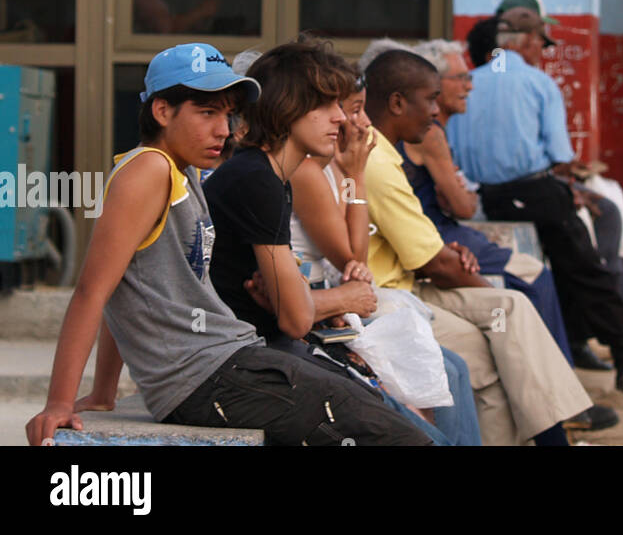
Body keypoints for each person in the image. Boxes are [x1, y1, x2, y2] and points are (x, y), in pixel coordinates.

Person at [27, 43, 430, 447]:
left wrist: (104, 392)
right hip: (207, 377)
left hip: (231, 360)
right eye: (207, 113)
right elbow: (93, 290)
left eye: (227, 114)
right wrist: (59, 401)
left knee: (379, 407)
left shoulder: (184, 176)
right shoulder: (147, 170)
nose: (223, 129)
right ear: (162, 111)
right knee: (395, 436)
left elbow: (129, 282)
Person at [203, 40, 457, 444]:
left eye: (346, 106)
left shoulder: (274, 175)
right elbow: (296, 315)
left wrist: (314, 299)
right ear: (287, 108)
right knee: (415, 435)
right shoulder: (259, 178)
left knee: (436, 385)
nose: (341, 118)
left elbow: (313, 291)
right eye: (327, 106)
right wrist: (342, 298)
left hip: (274, 343)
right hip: (243, 358)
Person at [362, 48, 596, 443]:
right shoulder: (376, 160)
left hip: (413, 276)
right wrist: (461, 270)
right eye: (431, 99)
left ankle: (556, 432)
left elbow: (432, 242)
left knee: (511, 310)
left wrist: (449, 256)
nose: (436, 109)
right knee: (499, 329)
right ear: (398, 102)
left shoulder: (384, 152)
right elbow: (442, 248)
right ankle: (555, 436)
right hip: (394, 294)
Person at [445, 9, 623, 401]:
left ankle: (575, 347)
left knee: (566, 262)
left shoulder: (465, 84)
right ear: (526, 42)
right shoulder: (539, 84)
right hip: (533, 196)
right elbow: (558, 155)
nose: (543, 51)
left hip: (475, 199)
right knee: (587, 270)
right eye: (541, 42)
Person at [397, 38, 618, 371]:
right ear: (434, 86)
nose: (470, 86)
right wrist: (460, 195)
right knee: (535, 279)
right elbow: (464, 207)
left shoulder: (428, 129)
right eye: (461, 78)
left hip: (439, 232)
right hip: (438, 236)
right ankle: (557, 376)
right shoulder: (431, 132)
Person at [288, 79, 483, 446]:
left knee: (453, 367)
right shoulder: (308, 171)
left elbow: (354, 256)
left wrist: (352, 177)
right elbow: (350, 255)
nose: (364, 124)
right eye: (353, 110)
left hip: (343, 304)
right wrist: (358, 176)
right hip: (323, 315)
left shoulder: (334, 167)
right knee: (432, 377)